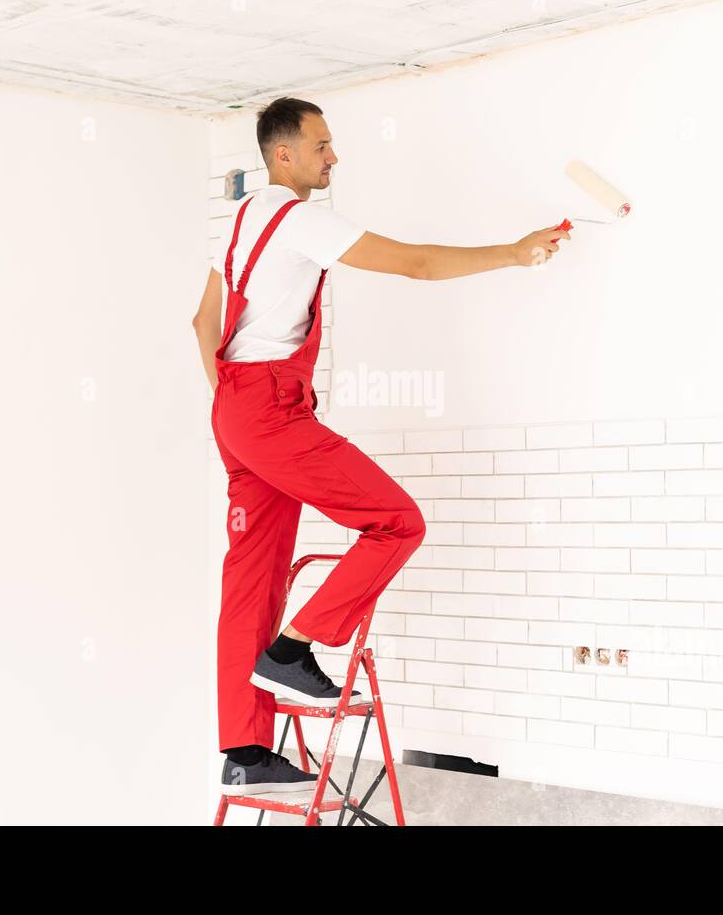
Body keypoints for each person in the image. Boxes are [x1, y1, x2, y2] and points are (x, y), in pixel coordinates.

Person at [190, 96, 571, 796]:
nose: (332, 157)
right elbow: (418, 264)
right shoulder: (301, 219)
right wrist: (514, 254)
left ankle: (245, 750)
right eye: (321, 146)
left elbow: (202, 322)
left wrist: (232, 404)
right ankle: (293, 649)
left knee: (249, 577)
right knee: (398, 521)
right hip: (269, 410)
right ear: (284, 155)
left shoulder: (240, 218)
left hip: (235, 410)